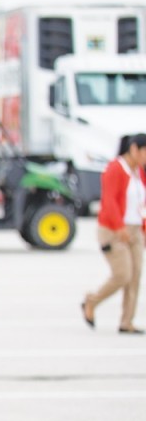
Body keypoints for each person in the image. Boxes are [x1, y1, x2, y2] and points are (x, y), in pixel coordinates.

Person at [82, 132, 146, 333]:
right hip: (113, 229)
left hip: (135, 230)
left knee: (135, 277)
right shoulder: (115, 169)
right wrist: (119, 228)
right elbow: (108, 202)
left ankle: (127, 321)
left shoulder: (140, 173)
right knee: (123, 274)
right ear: (134, 149)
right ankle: (91, 301)